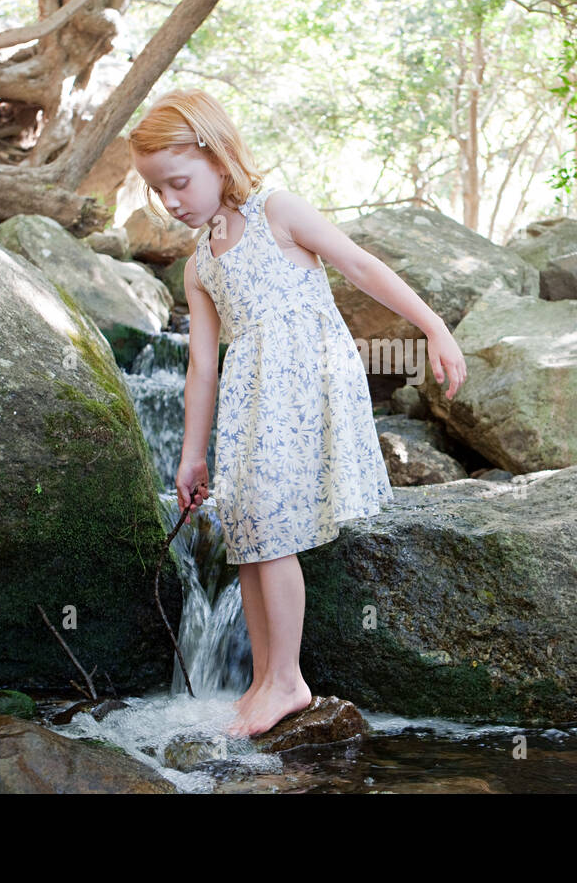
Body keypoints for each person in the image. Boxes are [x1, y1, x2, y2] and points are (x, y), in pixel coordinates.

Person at [128, 87, 466, 738]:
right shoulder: (199, 266)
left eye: (178, 182)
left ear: (217, 157)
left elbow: (359, 265)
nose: (171, 202)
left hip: (306, 381)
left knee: (276, 529)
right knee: (250, 526)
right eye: (158, 192)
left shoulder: (275, 211)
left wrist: (432, 326)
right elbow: (201, 367)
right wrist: (192, 455)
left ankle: (287, 680)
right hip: (251, 394)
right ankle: (261, 678)